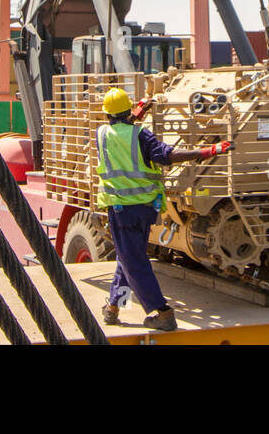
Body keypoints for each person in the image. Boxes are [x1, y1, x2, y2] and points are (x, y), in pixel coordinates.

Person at [96, 87, 232, 331]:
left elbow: (121, 131)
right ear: (128, 111)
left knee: (132, 259)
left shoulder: (103, 133)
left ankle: (162, 312)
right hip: (146, 208)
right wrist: (208, 150)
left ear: (107, 114)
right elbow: (167, 156)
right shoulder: (140, 135)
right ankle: (115, 306)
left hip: (121, 209)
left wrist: (135, 114)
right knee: (128, 257)